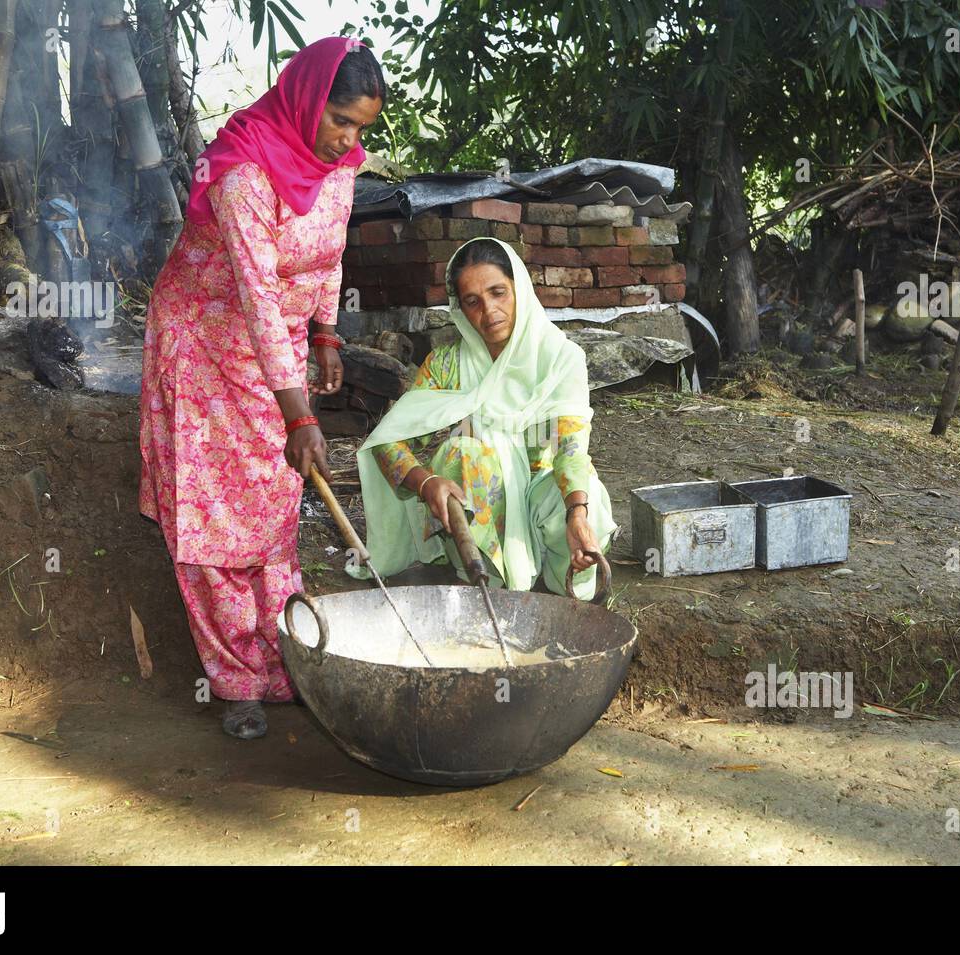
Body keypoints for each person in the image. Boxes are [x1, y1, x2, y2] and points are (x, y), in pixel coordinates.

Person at [139, 37, 384, 740]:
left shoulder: (339, 166)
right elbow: (253, 293)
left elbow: (331, 251)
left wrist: (327, 334)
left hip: (271, 352)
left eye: (361, 126)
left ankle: (287, 662)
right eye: (341, 119)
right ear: (307, 98)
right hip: (205, 346)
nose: (348, 138)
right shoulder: (245, 172)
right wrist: (300, 411)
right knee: (214, 519)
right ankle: (236, 682)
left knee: (274, 513)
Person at [349, 237, 617, 600]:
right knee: (459, 453)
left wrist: (578, 515)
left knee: (583, 495)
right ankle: (481, 582)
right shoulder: (448, 365)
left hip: (545, 499)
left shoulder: (559, 358)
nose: (489, 310)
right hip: (485, 512)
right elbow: (389, 440)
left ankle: (567, 579)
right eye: (473, 301)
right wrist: (427, 482)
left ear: (519, 288)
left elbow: (570, 448)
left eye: (498, 292)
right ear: (460, 309)